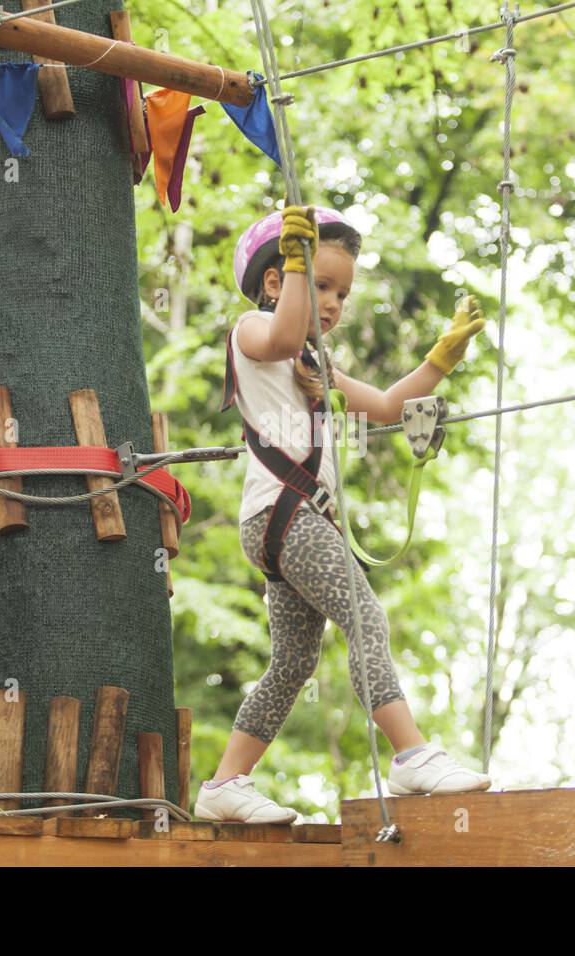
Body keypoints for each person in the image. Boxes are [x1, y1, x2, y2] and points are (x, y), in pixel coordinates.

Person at [196, 204, 492, 824]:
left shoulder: (315, 365)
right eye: (319, 284)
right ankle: (411, 755)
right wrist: (297, 263)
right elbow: (280, 333)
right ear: (276, 282)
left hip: (294, 521)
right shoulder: (253, 331)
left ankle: (225, 783)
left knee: (294, 663)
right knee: (365, 616)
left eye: (340, 293)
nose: (331, 303)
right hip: (286, 513)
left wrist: (440, 360)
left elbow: (384, 407)